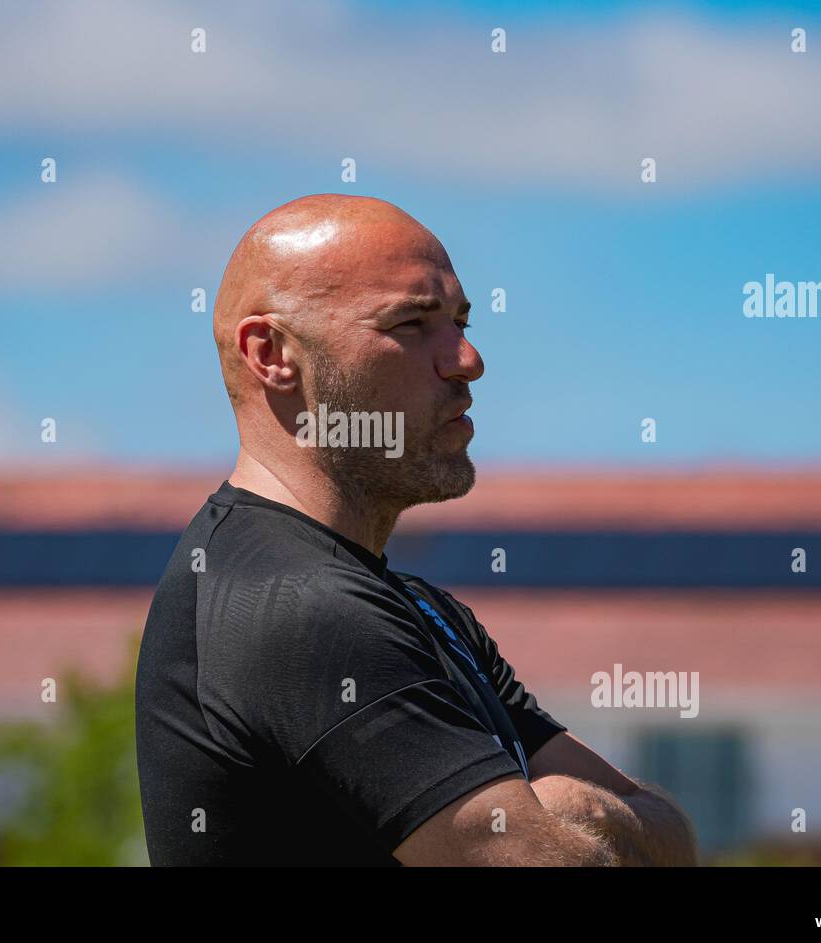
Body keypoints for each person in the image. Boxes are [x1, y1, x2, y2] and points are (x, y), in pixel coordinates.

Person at [135, 194, 697, 866]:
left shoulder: (420, 609)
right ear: (272, 354)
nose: (467, 360)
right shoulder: (298, 605)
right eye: (411, 324)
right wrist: (576, 817)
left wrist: (569, 810)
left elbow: (673, 839)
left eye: (460, 320)